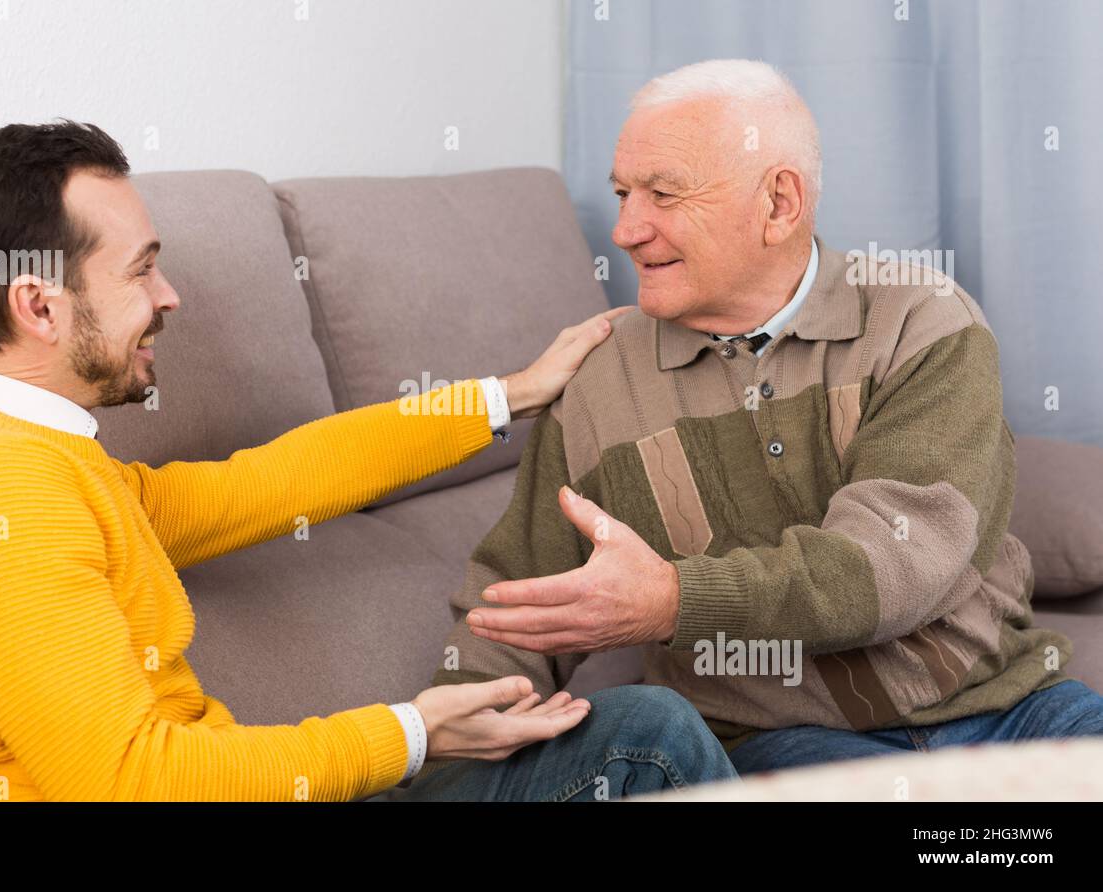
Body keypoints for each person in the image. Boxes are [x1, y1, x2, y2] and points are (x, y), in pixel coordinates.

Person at [0, 120, 737, 802]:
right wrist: (410, 732)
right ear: (39, 307)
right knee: (643, 738)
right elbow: (130, 779)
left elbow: (270, 483)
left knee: (642, 728)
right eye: (142, 270)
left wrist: (512, 393)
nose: (169, 296)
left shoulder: (28, 459)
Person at [415, 59, 1103, 790]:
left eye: (663, 194)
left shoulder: (921, 321)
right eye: (621, 193)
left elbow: (892, 566)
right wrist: (446, 735)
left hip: (1004, 712)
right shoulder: (598, 384)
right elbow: (519, 593)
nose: (623, 229)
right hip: (781, 742)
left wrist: (673, 601)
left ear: (779, 203)